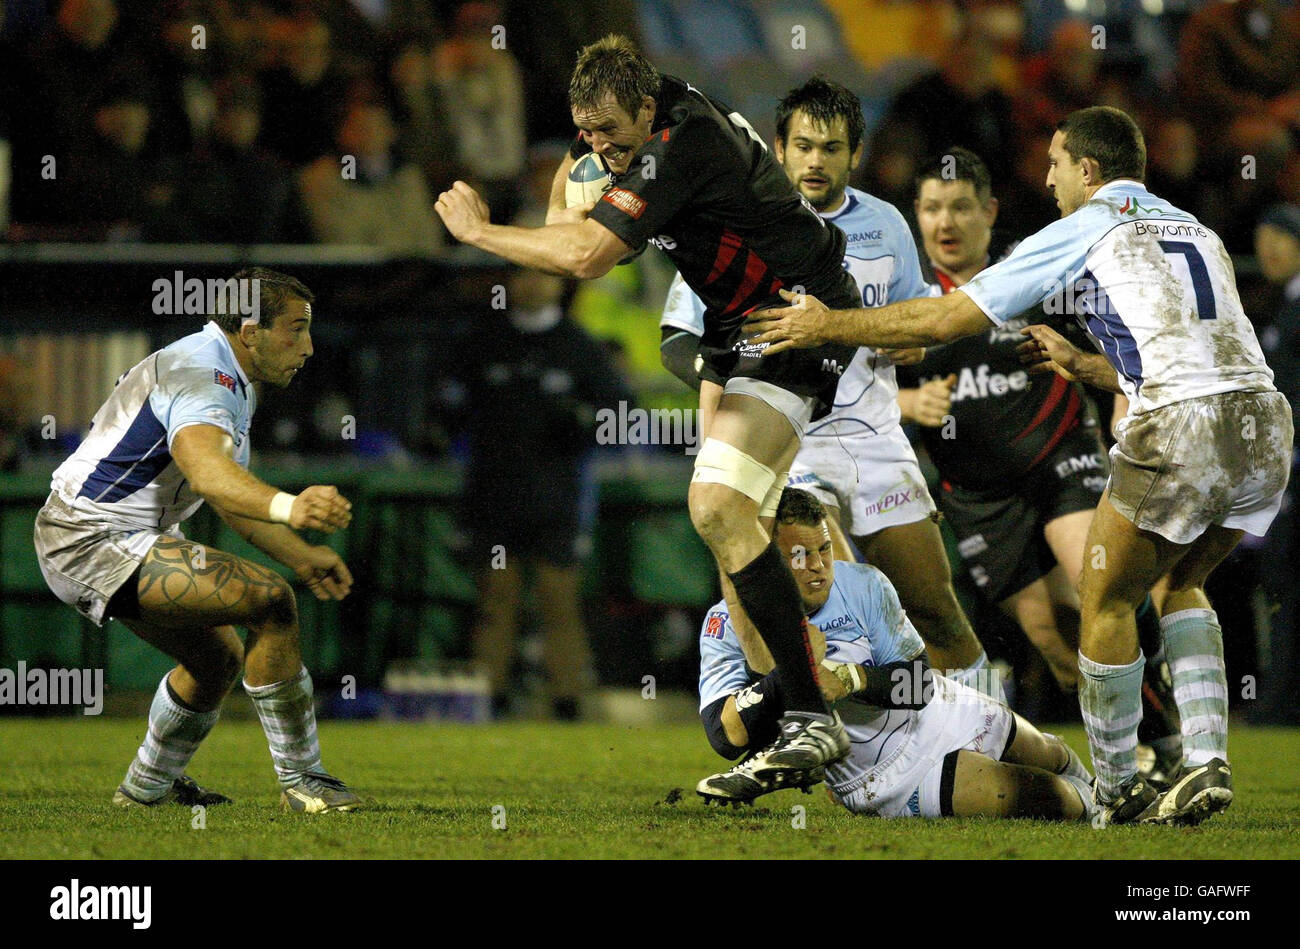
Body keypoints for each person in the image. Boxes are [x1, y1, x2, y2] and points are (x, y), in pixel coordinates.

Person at [744, 106, 1294, 827]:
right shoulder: (1198, 229)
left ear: (1088, 172)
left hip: (1180, 426)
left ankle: (1118, 788)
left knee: (1103, 598)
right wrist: (1077, 361)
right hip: (1265, 424)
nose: (1049, 176)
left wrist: (826, 323)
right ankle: (1205, 761)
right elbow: (1187, 357)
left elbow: (942, 322)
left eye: (1058, 163)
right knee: (1183, 579)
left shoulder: (1082, 227)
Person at [434, 35, 863, 783]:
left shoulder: (681, 141)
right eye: (587, 131)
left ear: (644, 106)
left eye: (610, 132)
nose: (599, 145)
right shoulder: (620, 123)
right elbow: (569, 228)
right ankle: (795, 710)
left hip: (798, 315)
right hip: (736, 332)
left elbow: (583, 257)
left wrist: (478, 233)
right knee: (731, 522)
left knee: (720, 506)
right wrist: (574, 195)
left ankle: (813, 709)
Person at [659, 78, 993, 697]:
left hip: (873, 440)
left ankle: (993, 738)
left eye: (832, 148)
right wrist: (749, 374)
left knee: (937, 611)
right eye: (804, 146)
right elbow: (678, 340)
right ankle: (820, 739)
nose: (816, 161)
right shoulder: (738, 222)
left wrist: (915, 343)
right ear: (778, 149)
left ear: (855, 154)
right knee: (835, 605)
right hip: (791, 444)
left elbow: (918, 320)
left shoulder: (887, 224)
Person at [898, 145, 1182, 782]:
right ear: (916, 216)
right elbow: (853, 384)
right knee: (1053, 642)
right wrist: (905, 398)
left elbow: (1113, 334)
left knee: (1095, 587)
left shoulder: (1034, 270)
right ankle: (1137, 730)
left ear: (989, 212)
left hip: (1060, 460)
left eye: (962, 208)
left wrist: (1114, 392)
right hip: (975, 495)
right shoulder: (903, 293)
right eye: (933, 208)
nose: (947, 222)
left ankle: (1156, 746)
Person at [33, 268, 363, 813]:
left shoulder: (221, 369)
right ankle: (304, 780)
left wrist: (299, 554)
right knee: (269, 600)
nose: (307, 346)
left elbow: (227, 495)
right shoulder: (205, 374)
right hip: (92, 538)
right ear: (251, 330)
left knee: (216, 661)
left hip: (106, 535)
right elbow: (208, 473)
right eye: (296, 329)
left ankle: (143, 794)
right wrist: (291, 505)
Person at [696, 488, 1095, 820]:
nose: (819, 566)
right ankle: (1100, 811)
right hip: (886, 777)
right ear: (768, 563)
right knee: (1044, 796)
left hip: (943, 708)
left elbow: (919, 684)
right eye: (800, 555)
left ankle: (1112, 793)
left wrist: (850, 678)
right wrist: (793, 669)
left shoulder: (864, 584)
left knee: (1051, 751)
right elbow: (725, 736)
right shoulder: (726, 626)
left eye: (825, 549)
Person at [439, 252, 632, 720]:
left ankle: (566, 702)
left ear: (561, 284)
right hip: (493, 493)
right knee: (495, 597)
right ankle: (489, 701)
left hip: (558, 495)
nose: (531, 284)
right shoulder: (482, 343)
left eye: (543, 274)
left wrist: (584, 424)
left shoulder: (580, 347)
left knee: (559, 598)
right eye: (523, 273)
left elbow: (619, 414)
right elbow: (445, 410)